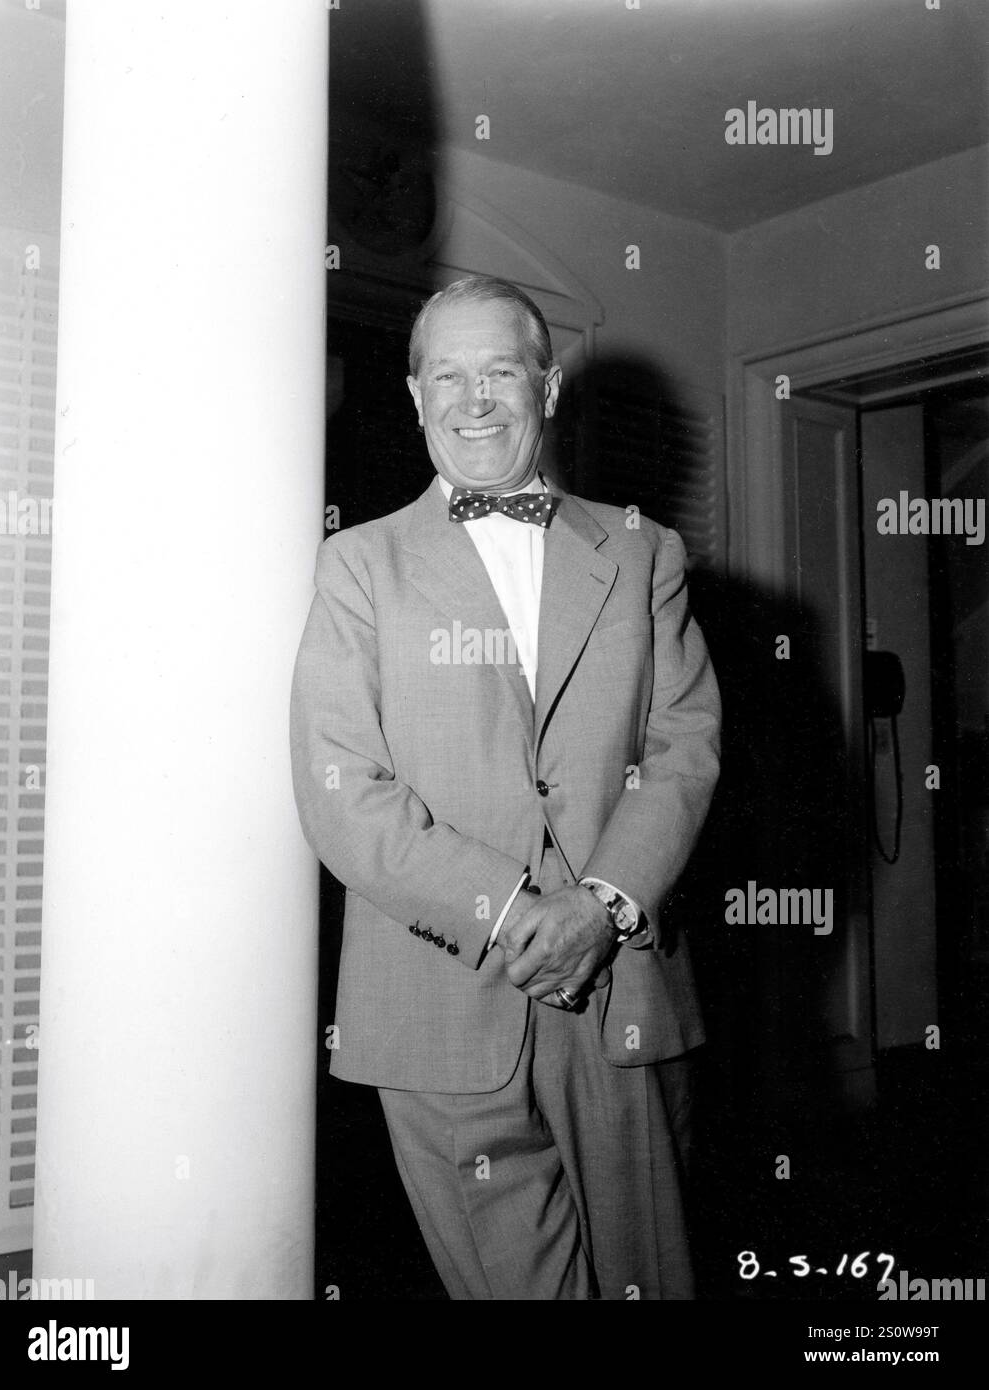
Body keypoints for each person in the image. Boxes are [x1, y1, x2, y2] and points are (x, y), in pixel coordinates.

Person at [290, 274, 721, 1300]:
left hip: (621, 994)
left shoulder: (641, 551)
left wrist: (602, 904)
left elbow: (685, 746)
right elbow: (343, 786)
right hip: (437, 1009)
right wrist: (516, 912)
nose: (473, 399)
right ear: (413, 394)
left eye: (499, 372)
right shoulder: (357, 565)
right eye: (448, 375)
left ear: (549, 388)